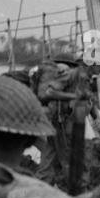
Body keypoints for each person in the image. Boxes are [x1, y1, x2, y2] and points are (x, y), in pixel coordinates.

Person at [33, 47, 86, 187]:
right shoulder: (65, 72)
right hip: (61, 123)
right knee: (67, 159)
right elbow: (51, 94)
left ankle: (39, 193)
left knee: (48, 157)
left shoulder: (49, 73)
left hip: (50, 122)